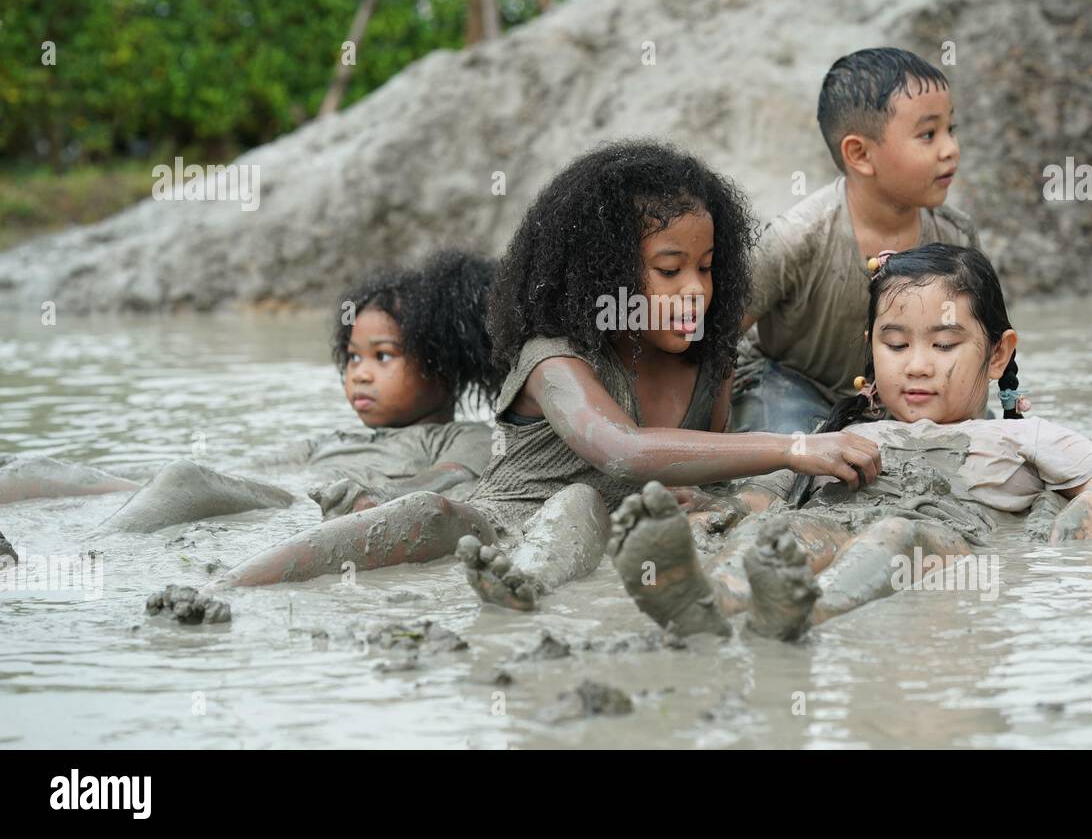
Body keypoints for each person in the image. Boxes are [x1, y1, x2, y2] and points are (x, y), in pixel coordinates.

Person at [197, 140, 880, 607]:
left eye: (706, 268)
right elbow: (620, 451)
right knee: (443, 509)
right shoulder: (554, 359)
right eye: (669, 269)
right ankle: (229, 586)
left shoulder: (714, 360)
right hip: (500, 533)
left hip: (623, 542)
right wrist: (793, 447)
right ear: (603, 274)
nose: (695, 291)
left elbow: (707, 466)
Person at [609, 244, 1092, 640]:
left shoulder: (1019, 434)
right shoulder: (846, 436)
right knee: (776, 536)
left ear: (998, 354)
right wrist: (718, 508)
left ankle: (807, 613)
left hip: (939, 540)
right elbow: (771, 493)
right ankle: (708, 601)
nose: (917, 366)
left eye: (943, 345)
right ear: (870, 348)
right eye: (896, 343)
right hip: (839, 525)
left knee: (894, 533)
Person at [3, 251, 500, 533]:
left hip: (286, 507)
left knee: (183, 478)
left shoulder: (460, 436)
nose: (360, 374)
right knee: (44, 468)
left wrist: (382, 495)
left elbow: (445, 480)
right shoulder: (324, 441)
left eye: (382, 356)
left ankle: (85, 551)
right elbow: (251, 469)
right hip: (244, 492)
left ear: (443, 364)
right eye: (351, 358)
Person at [733, 47, 980, 435]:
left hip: (898, 397)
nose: (951, 149)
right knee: (789, 464)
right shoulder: (796, 240)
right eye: (929, 134)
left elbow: (978, 345)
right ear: (860, 154)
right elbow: (711, 341)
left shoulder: (955, 238)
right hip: (790, 387)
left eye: (952, 129)